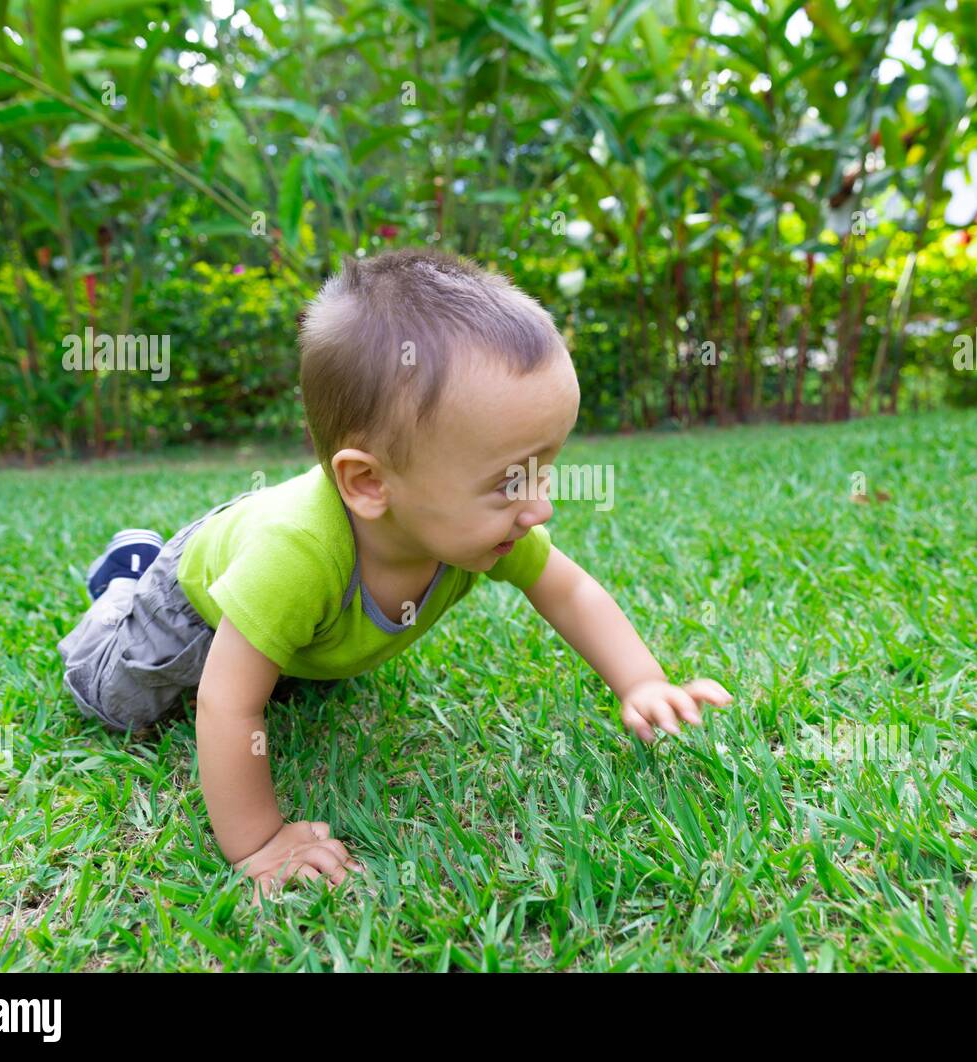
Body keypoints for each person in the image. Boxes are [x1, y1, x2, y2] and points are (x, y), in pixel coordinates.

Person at [57, 248, 733, 902]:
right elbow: (228, 705)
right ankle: (125, 577)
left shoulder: (492, 530)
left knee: (287, 675)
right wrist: (261, 842)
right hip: (190, 606)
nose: (542, 504)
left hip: (287, 606)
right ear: (370, 483)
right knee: (120, 701)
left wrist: (642, 681)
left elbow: (570, 589)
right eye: (510, 481)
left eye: (545, 467)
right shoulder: (296, 554)